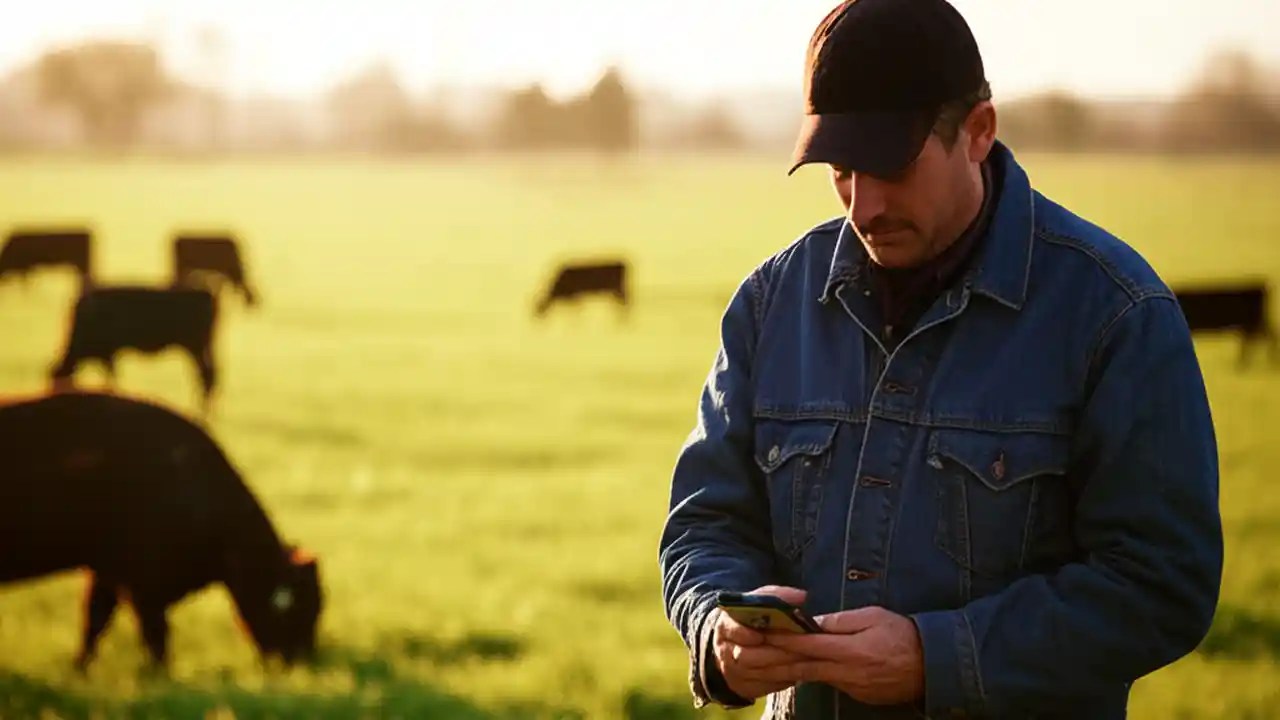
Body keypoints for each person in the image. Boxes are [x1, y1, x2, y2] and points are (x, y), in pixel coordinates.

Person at [657, 0, 1224, 717]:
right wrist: (719, 630)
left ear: (980, 131)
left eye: (890, 166)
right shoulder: (772, 304)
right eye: (839, 171)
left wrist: (940, 658)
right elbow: (704, 523)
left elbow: (1162, 583)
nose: (862, 206)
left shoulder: (1116, 315)